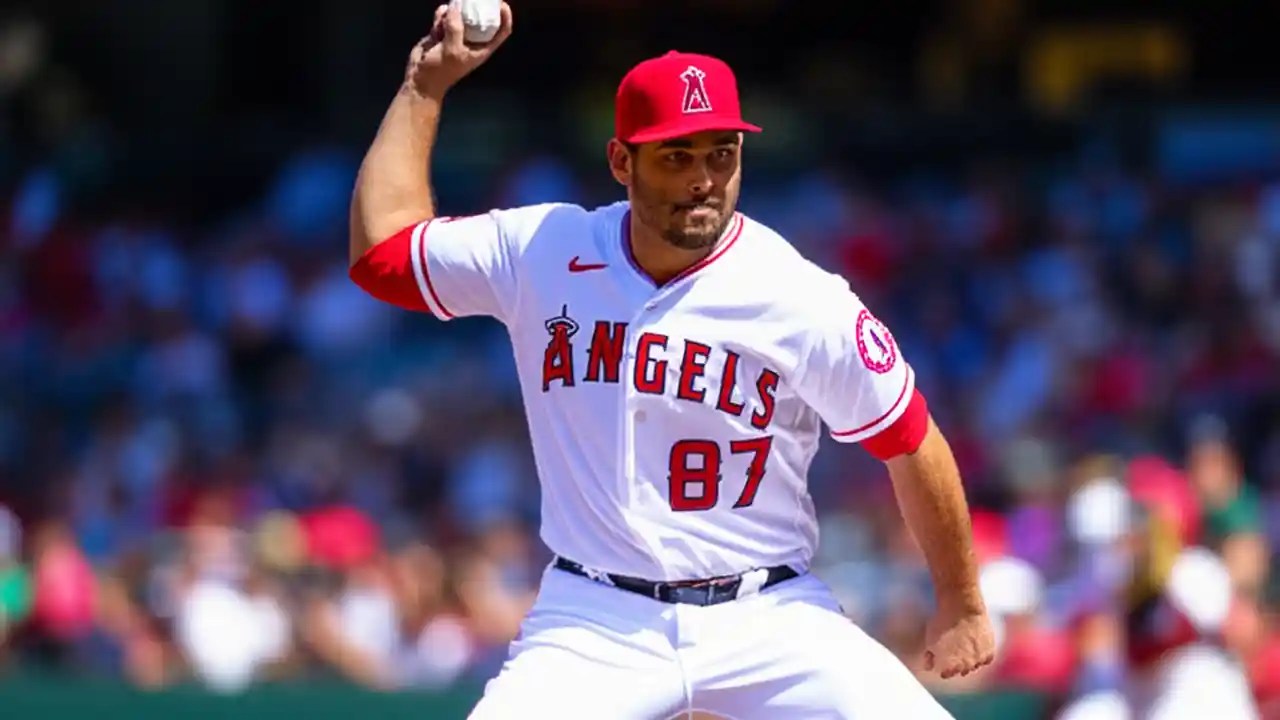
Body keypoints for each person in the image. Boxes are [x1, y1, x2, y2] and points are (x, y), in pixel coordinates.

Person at [348, 4, 995, 718]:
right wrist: (424, 89)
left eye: (722, 152)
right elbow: (383, 258)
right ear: (622, 160)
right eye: (676, 155)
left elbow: (908, 438)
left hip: (771, 614)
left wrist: (961, 602)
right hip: (595, 619)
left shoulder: (798, 295)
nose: (704, 178)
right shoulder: (544, 250)